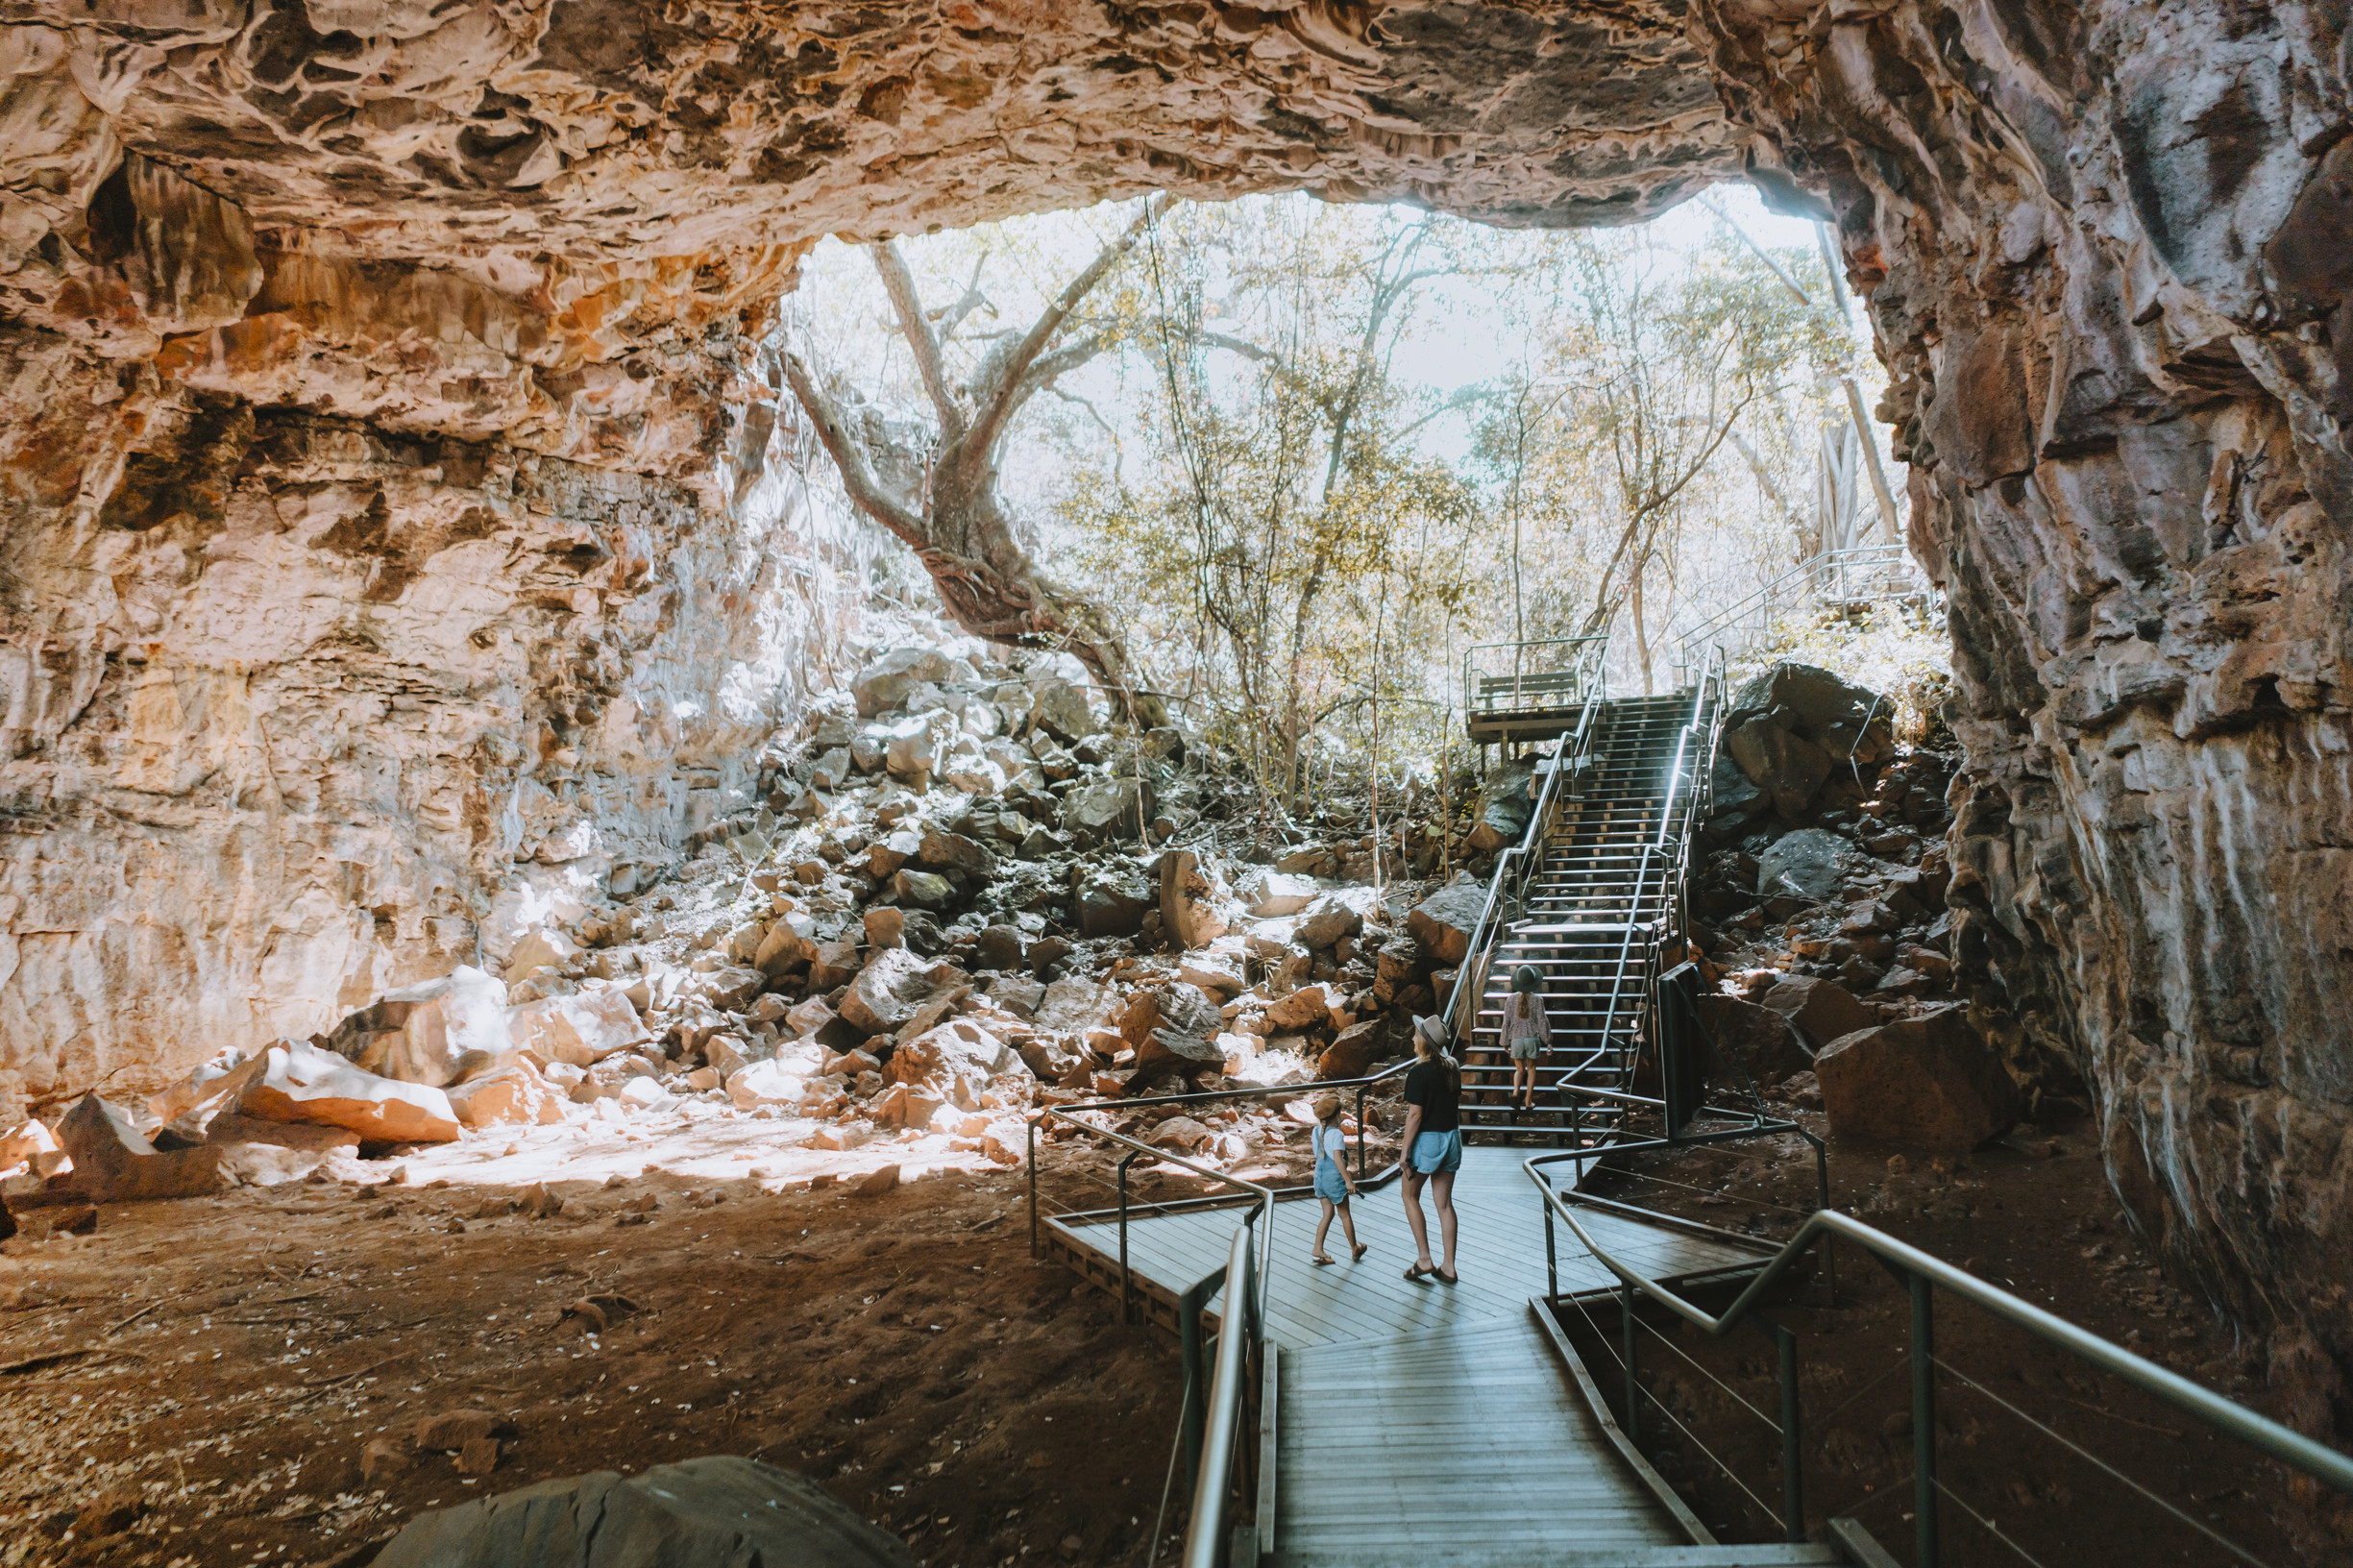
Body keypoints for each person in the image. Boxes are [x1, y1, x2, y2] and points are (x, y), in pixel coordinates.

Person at [1397, 1014, 1462, 1285]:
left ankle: (1424, 1258)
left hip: (1428, 1142)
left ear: (1424, 1041)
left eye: (1416, 1035)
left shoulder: (1418, 1072)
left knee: (1409, 1195)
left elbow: (1415, 1116)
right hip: (1452, 1138)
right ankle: (1448, 1267)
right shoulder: (1452, 1066)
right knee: (1444, 1203)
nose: (1413, 1038)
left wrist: (1404, 1152)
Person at [1306, 1091, 1367, 1266]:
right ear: (1337, 1116)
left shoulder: (1316, 1131)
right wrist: (1348, 1181)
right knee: (1344, 1214)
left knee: (1327, 1214)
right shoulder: (1337, 1135)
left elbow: (1317, 1154)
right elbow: (1338, 1160)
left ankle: (1318, 1248)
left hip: (1319, 1177)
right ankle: (1354, 1247)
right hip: (1334, 1179)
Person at [1503, 964, 1553, 1114]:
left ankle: (1516, 1092)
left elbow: (1506, 1021)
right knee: (1531, 1069)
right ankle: (1528, 1101)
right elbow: (1542, 1021)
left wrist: (1504, 1041)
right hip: (1532, 1039)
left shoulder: (1510, 999)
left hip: (1516, 1040)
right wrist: (1548, 1041)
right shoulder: (1538, 1000)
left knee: (1519, 1069)